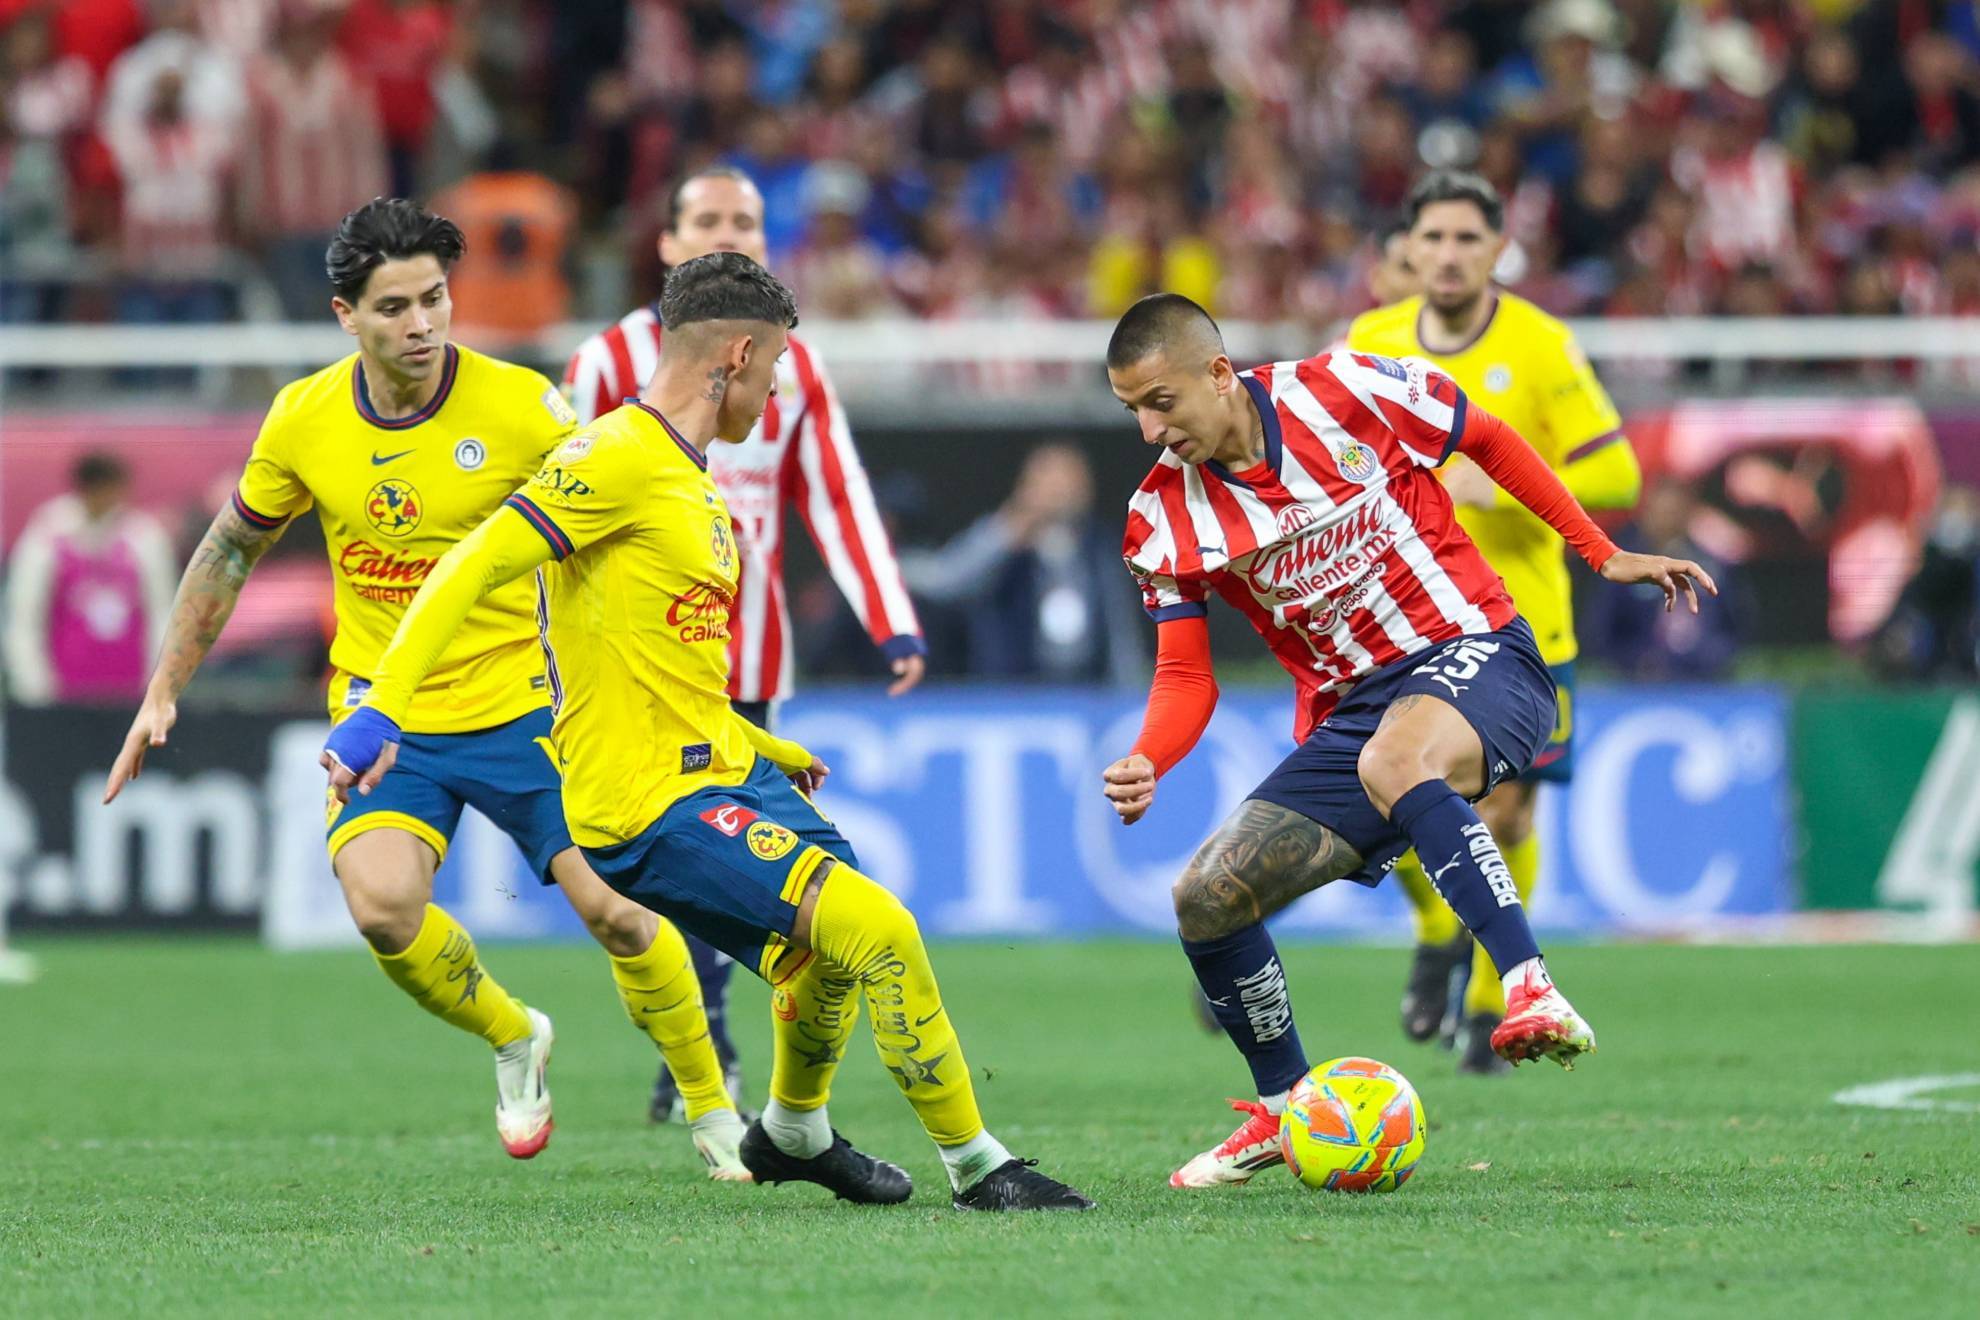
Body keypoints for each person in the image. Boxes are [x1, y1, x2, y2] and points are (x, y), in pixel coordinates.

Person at [323, 251, 1092, 1212]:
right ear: (735, 354)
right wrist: (381, 707)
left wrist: (762, 746)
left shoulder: (690, 485)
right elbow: (470, 566)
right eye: (771, 374)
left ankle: (794, 1133)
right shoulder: (613, 458)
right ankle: (980, 1167)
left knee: (825, 954)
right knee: (881, 931)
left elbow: (662, 667)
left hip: (723, 768)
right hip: (648, 806)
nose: (771, 400)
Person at [103, 199, 748, 1178]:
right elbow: (233, 546)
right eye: (395, 307)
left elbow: (614, 535)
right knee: (381, 909)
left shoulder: (525, 409)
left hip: (528, 704)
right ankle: (514, 1033)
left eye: (436, 300)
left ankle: (711, 1110)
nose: (421, 325)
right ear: (344, 315)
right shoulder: (305, 419)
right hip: (385, 715)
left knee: (618, 912)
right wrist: (163, 687)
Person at [1097, 293, 1712, 1188]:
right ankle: (1282, 1108)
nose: (1151, 431)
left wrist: (1598, 552)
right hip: (1356, 717)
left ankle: (1529, 986)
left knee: (1397, 757)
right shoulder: (1162, 519)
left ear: (1220, 373)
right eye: (1132, 413)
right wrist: (1153, 754)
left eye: (1161, 402)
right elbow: (1188, 674)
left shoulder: (1344, 390)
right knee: (1206, 897)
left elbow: (1488, 439)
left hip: (1480, 657)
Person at [564, 165, 924, 1126]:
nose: (729, 232)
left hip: (746, 665)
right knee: (662, 862)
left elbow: (837, 493)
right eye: (708, 219)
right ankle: (699, 1047)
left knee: (745, 864)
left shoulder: (794, 366)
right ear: (668, 245)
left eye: (747, 221)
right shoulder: (607, 362)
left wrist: (890, 616)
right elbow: (551, 504)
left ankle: (730, 1054)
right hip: (634, 671)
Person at [1347, 171, 1642, 1073]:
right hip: (1403, 619)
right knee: (1388, 791)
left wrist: (1499, 483)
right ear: (1407, 249)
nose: (1448, 255)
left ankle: (1484, 1001)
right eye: (1432, 238)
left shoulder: (1541, 346)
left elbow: (1619, 476)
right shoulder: (1371, 341)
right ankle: (1441, 934)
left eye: (1467, 239)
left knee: (1506, 817)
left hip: (1523, 628)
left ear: (1496, 248)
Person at [5, 452, 175, 706]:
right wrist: (34, 686)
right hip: (63, 689)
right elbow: (25, 614)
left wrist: (158, 682)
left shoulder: (143, 537)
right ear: (87, 488)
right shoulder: (47, 536)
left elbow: (162, 612)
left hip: (129, 688)